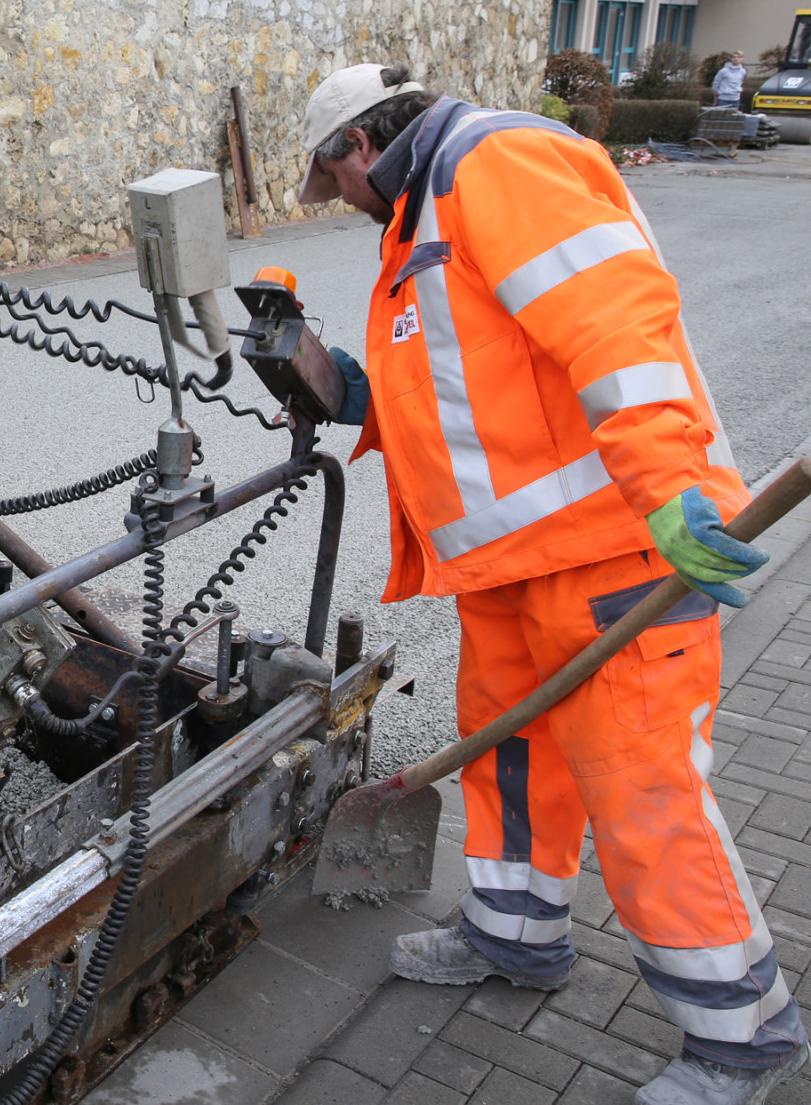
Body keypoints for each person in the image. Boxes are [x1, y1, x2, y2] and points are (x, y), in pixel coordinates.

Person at [300, 62, 804, 1105]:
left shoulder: (495, 161)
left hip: (615, 559)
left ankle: (738, 1037)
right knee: (513, 760)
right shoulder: (421, 217)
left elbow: (610, 322)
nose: (340, 207)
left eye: (332, 184)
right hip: (515, 575)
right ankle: (514, 934)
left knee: (641, 795)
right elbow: (467, 383)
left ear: (355, 148)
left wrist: (667, 483)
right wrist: (342, 389)